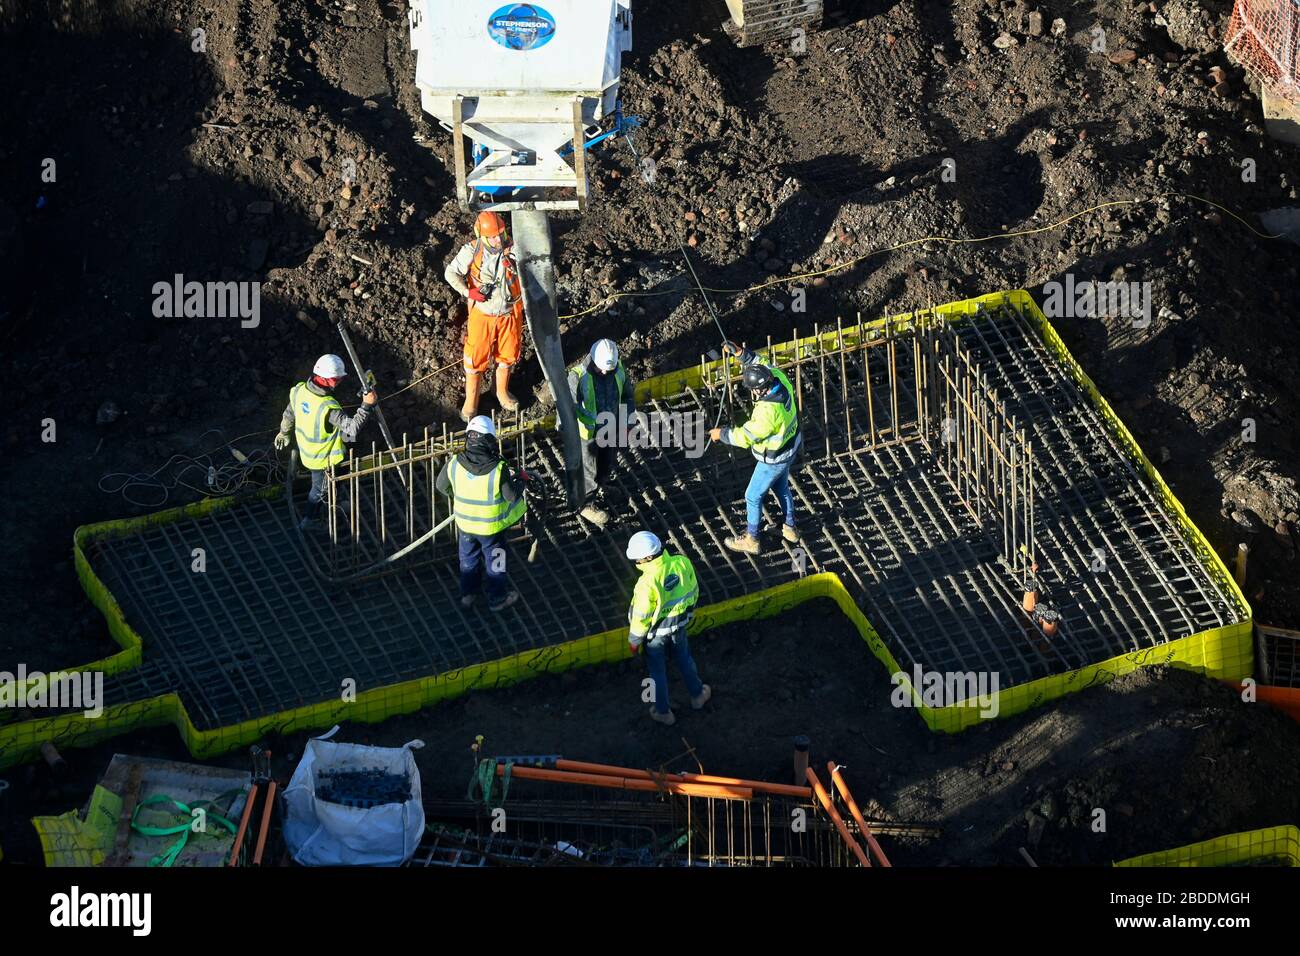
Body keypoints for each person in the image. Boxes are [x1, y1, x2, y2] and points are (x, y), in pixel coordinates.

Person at [708, 341, 801, 555]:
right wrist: (740, 353)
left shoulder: (767, 413)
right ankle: (790, 529)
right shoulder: (779, 378)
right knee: (781, 488)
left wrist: (720, 434)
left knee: (752, 496)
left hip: (773, 458)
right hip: (790, 447)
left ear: (758, 389)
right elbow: (762, 362)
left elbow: (745, 437)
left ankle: (752, 539)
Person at [275, 353, 376, 530]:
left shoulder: (300, 391)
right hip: (323, 459)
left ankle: (336, 501)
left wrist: (284, 432)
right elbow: (351, 428)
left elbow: (289, 415)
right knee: (319, 491)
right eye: (336, 379)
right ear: (324, 378)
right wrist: (366, 406)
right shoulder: (328, 407)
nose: (339, 382)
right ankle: (309, 520)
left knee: (338, 477)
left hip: (309, 451)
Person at [436, 415, 525, 612]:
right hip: (490, 530)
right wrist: (522, 482)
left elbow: (441, 486)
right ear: (489, 440)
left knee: (468, 560)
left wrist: (457, 495)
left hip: (465, 526)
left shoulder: (454, 463)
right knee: (496, 563)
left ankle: (468, 595)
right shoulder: (497, 468)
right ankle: (498, 599)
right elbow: (511, 496)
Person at [444, 211, 525, 422]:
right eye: (493, 236)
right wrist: (468, 292)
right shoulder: (472, 250)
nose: (499, 239)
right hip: (483, 314)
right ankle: (471, 402)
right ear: (482, 236)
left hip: (509, 312)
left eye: (501, 233)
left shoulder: (513, 248)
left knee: (508, 354)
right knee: (475, 357)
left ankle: (501, 392)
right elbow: (450, 273)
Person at [625, 531, 710, 726]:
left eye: (637, 559)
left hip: (655, 637)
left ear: (646, 558)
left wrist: (634, 641)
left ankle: (663, 712)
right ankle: (698, 695)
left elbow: (641, 618)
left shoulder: (646, 584)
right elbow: (694, 591)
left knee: (657, 672)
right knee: (684, 659)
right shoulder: (681, 562)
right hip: (679, 627)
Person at [567, 338, 637, 528]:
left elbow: (628, 396)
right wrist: (565, 429)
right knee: (588, 470)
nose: (605, 372)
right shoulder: (578, 376)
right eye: (601, 369)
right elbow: (566, 406)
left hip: (610, 428)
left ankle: (602, 485)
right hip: (587, 434)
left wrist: (629, 421)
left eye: (609, 369)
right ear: (592, 360)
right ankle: (585, 504)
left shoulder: (618, 369)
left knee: (606, 463)